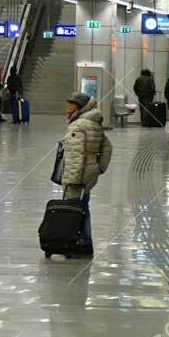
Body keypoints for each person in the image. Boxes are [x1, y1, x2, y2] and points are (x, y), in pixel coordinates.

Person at [59, 91, 112, 258]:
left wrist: (73, 181)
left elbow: (76, 156)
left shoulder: (78, 126)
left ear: (79, 107)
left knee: (74, 210)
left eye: (71, 104)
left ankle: (76, 243)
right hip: (88, 173)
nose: (67, 107)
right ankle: (85, 243)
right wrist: (98, 168)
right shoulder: (92, 123)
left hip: (79, 176)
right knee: (83, 208)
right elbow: (107, 146)